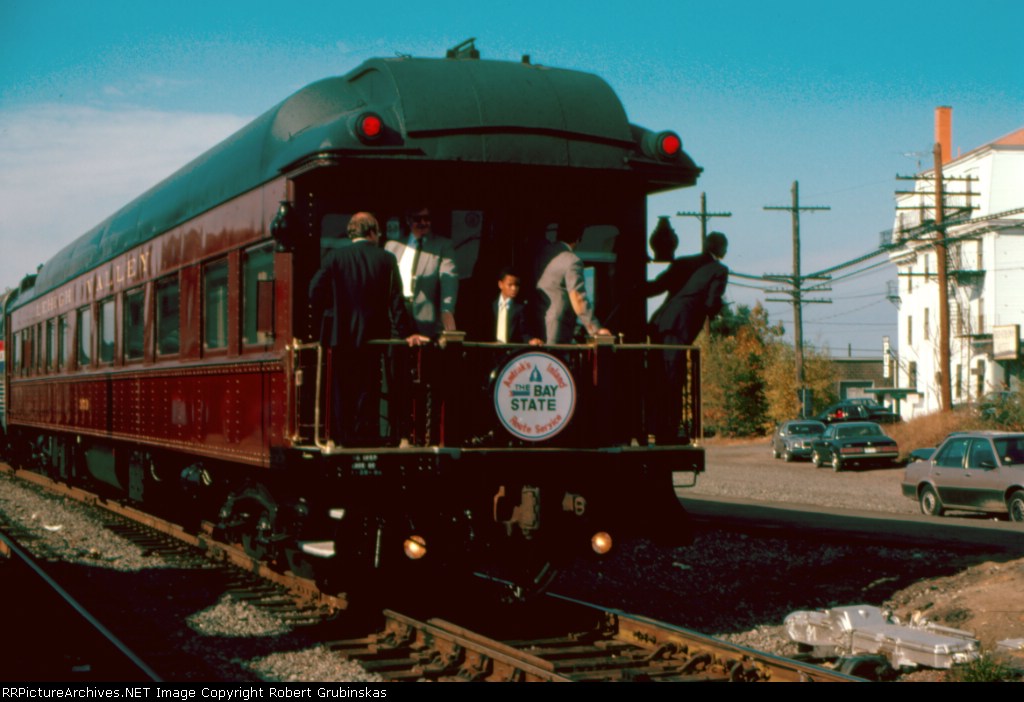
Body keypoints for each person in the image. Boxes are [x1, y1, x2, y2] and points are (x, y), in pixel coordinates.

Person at [309, 212, 427, 445]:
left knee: (341, 388)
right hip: (374, 337)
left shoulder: (334, 258)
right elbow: (396, 301)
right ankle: (366, 435)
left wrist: (333, 311)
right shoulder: (386, 259)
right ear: (372, 232)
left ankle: (340, 438)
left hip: (340, 336)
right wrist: (407, 333)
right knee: (368, 387)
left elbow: (314, 292)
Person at [647, 231, 729, 444]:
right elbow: (712, 302)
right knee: (673, 378)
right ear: (721, 249)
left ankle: (655, 425)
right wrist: (719, 312)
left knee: (658, 375)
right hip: (679, 328)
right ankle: (669, 431)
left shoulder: (683, 263)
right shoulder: (719, 270)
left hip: (660, 323)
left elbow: (655, 287)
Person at [385, 208, 459, 337]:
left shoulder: (442, 245)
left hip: (427, 320)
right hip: (398, 318)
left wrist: (447, 310)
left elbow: (449, 279)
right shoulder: (393, 246)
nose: (423, 223)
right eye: (418, 219)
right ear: (408, 220)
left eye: (427, 219)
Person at [534, 222, 610, 344]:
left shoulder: (541, 254)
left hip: (534, 327)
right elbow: (577, 297)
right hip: (556, 329)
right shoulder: (572, 261)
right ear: (577, 239)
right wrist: (595, 329)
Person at [492, 267, 543, 345]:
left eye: (517, 285)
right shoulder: (491, 305)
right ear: (500, 284)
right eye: (510, 285)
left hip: (511, 353)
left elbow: (524, 332)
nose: (514, 288)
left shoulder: (521, 308)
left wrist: (531, 340)